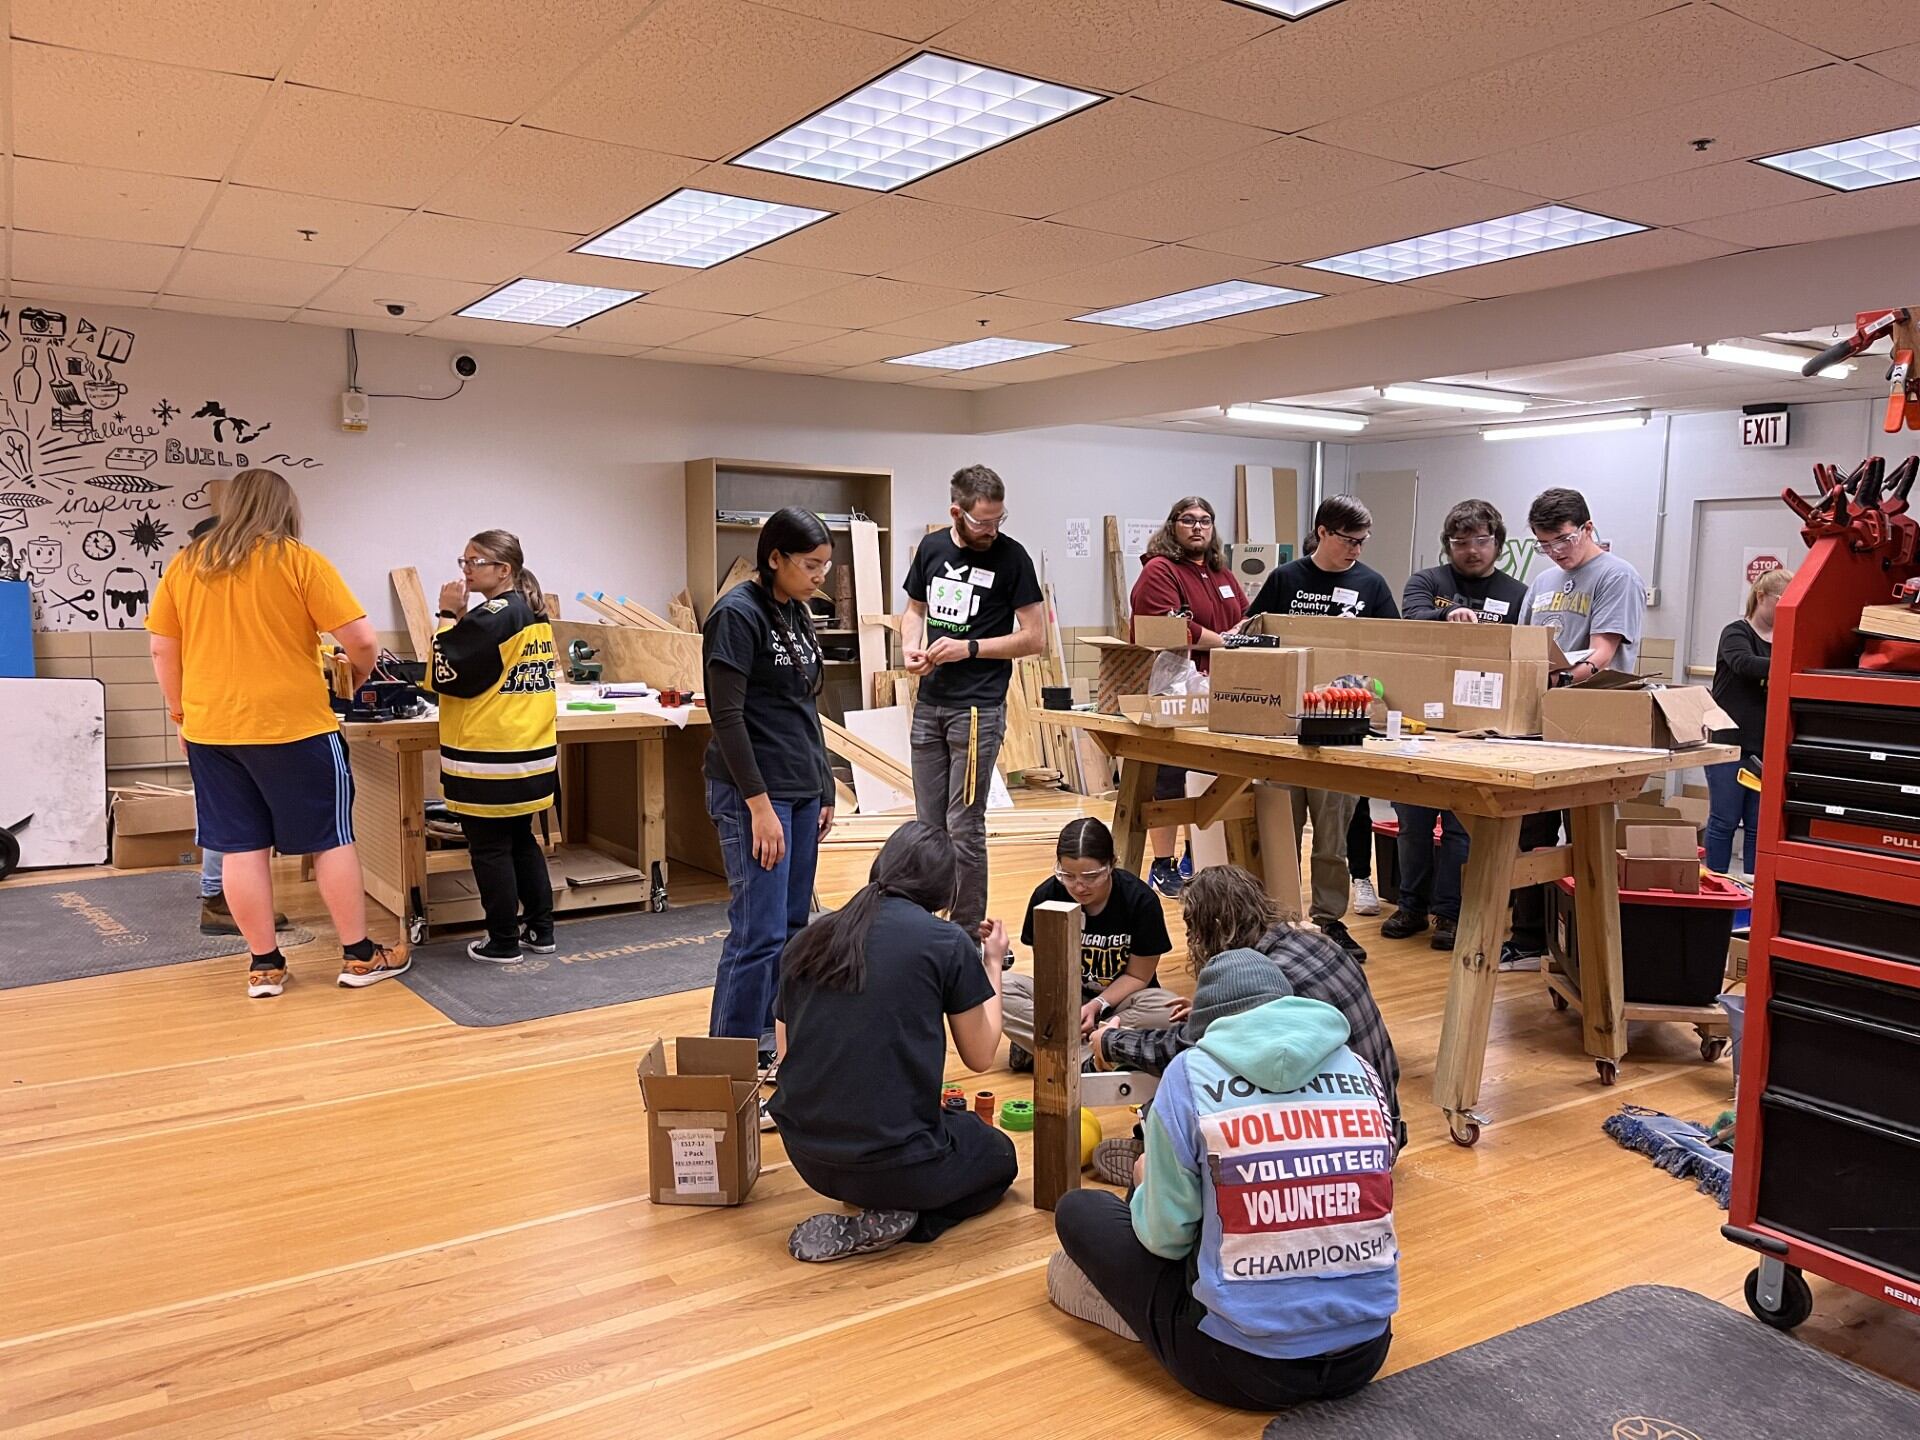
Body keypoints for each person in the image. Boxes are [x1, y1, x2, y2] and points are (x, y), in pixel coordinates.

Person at [1048, 950, 1398, 1409]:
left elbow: (1165, 1241)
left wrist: (1146, 1180)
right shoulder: (1360, 1069)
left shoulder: (1189, 1074)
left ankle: (1129, 1307)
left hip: (1242, 1368)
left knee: (1080, 1209)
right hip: (1366, 1352)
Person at [145, 467, 409, 998]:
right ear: (285, 509)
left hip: (212, 729)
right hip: (295, 726)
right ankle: (359, 957)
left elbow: (161, 649)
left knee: (241, 847)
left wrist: (180, 716)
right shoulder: (298, 560)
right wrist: (356, 680)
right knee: (330, 839)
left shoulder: (186, 564)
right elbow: (362, 640)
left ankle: (264, 966)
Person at [770, 822, 1015, 1262]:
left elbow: (788, 1059)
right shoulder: (946, 941)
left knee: (940, 1126)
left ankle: (879, 1203)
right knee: (999, 1155)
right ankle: (910, 1219)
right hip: (892, 1164)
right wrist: (993, 962)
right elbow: (980, 1056)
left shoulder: (807, 938)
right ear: (946, 890)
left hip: (807, 1156)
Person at [1090, 864, 1403, 1178]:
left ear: (1214, 925)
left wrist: (1111, 1042)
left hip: (1335, 1152)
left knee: (1199, 1070)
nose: (1191, 938)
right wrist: (1215, 1009)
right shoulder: (1312, 942)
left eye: (1192, 928)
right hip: (1382, 1131)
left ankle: (1171, 1165)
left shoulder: (1264, 978)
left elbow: (1180, 1049)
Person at [702, 507, 837, 1063]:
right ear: (775, 557)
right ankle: (728, 1056)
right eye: (811, 565)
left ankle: (771, 1038)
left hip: (800, 788)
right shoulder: (737, 614)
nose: (820, 576)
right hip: (755, 793)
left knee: (792, 926)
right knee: (757, 932)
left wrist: (825, 785)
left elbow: (805, 706)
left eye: (826, 565)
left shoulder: (797, 611)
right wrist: (759, 807)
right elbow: (727, 717)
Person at [1245, 496, 1399, 963]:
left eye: (1363, 541)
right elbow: (1251, 637)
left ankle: (1330, 920)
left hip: (1341, 730)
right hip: (1286, 729)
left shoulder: (1371, 584)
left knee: (1332, 837)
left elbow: (1393, 649)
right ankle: (1280, 920)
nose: (1357, 550)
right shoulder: (1285, 579)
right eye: (1349, 540)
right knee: (1280, 831)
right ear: (1323, 533)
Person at [903, 465, 1045, 938]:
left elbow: (1034, 638)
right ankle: (925, 928)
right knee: (928, 826)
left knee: (963, 825)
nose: (991, 530)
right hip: (930, 703)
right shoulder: (932, 548)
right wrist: (910, 648)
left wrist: (971, 648)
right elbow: (914, 610)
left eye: (998, 520)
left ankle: (964, 935)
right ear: (956, 513)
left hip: (977, 708)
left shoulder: (1013, 557)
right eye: (982, 522)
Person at [1508, 488, 1648, 967]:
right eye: (1545, 544)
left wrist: (1561, 676)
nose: (1555, 552)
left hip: (1593, 727)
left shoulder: (1616, 575)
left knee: (1586, 839)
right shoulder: (1542, 580)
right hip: (1540, 725)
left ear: (1588, 528)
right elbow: (1524, 644)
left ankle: (1590, 949)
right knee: (1532, 832)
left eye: (1563, 540)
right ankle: (1528, 940)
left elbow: (1603, 652)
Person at [1381, 500, 1529, 951]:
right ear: (1448, 545)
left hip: (1485, 729)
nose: (1472, 550)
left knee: (1462, 826)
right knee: (1413, 821)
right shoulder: (1427, 582)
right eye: (1460, 542)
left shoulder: (1518, 594)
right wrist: (1446, 617)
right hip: (1423, 726)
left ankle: (1450, 913)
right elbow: (1411, 619)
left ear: (1498, 543)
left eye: (1481, 541)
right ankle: (1411, 906)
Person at [425, 530, 558, 962]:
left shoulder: (493, 616)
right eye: (463, 561)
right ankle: (540, 930)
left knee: (489, 849)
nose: (465, 570)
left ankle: (502, 941)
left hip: (489, 756)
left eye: (475, 562)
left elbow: (444, 674)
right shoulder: (529, 610)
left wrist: (448, 613)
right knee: (521, 841)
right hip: (529, 751)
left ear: (503, 570)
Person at [1129, 495, 1247, 897]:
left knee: (1211, 778)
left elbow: (1244, 616)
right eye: (1188, 520)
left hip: (1220, 687)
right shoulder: (1160, 570)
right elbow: (1165, 626)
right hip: (1172, 687)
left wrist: (1235, 636)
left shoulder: (1220, 573)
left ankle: (1195, 855)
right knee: (1169, 777)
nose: (1198, 527)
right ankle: (1162, 865)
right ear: (1173, 526)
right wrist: (1224, 641)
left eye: (1205, 520)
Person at [1004, 817, 1179, 1073]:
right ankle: (1097, 1053)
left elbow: (1138, 976)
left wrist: (1097, 1005)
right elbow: (1048, 972)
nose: (1079, 886)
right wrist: (1068, 1009)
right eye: (1067, 876)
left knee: (1171, 1011)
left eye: (1091, 876)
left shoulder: (1140, 900)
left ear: (1111, 864)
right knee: (999, 988)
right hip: (1066, 1001)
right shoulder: (1047, 896)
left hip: (1120, 1003)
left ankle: (1048, 1046)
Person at [1707, 568, 1789, 876]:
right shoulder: (1736, 633)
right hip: (1730, 745)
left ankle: (1755, 886)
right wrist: (1790, 663)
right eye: (1783, 600)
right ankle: (1716, 882)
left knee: (1758, 825)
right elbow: (1744, 664)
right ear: (1761, 596)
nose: (1787, 608)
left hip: (1766, 747)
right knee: (1725, 819)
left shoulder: (1785, 639)